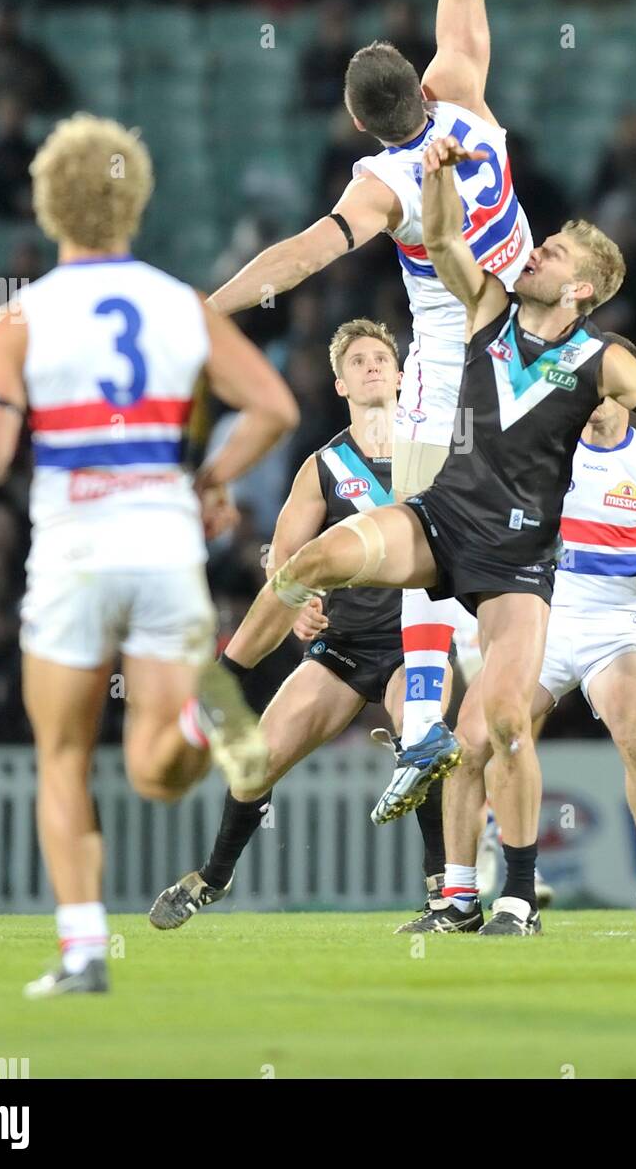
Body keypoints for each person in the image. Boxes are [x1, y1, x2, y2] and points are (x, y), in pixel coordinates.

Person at [211, 132, 636, 938]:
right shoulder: (489, 310)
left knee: (504, 723)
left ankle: (517, 895)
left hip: (515, 563)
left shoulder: (602, 361)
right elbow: (438, 239)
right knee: (317, 557)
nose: (531, 253)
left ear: (582, 287)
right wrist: (435, 178)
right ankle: (226, 678)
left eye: (548, 252)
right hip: (442, 523)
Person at [209, 0, 536, 826]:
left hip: (452, 367)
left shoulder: (383, 180)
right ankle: (476, 746)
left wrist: (210, 304)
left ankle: (432, 723)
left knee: (423, 541)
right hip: (532, 355)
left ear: (359, 123)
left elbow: (308, 252)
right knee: (501, 563)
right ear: (423, 79)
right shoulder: (469, 96)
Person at [0, 112, 299, 997]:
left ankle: (82, 952)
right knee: (155, 770)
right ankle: (199, 720)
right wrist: (208, 478)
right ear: (134, 201)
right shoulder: (181, 304)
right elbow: (273, 407)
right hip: (162, 541)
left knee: (63, 757)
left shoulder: (21, 317)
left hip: (73, 549)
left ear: (47, 205)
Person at [413, 334, 636, 934]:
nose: (594, 396)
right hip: (539, 616)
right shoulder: (544, 448)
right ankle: (460, 898)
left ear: (629, 388)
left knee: (635, 739)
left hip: (614, 625)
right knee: (469, 746)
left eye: (605, 386)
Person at [148, 319, 453, 932]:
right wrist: (300, 606)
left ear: (400, 375)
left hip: (416, 641)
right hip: (343, 645)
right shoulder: (324, 465)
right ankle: (213, 878)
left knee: (422, 746)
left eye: (380, 358)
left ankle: (444, 893)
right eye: (357, 362)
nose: (371, 367)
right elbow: (284, 565)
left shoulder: (439, 450)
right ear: (340, 384)